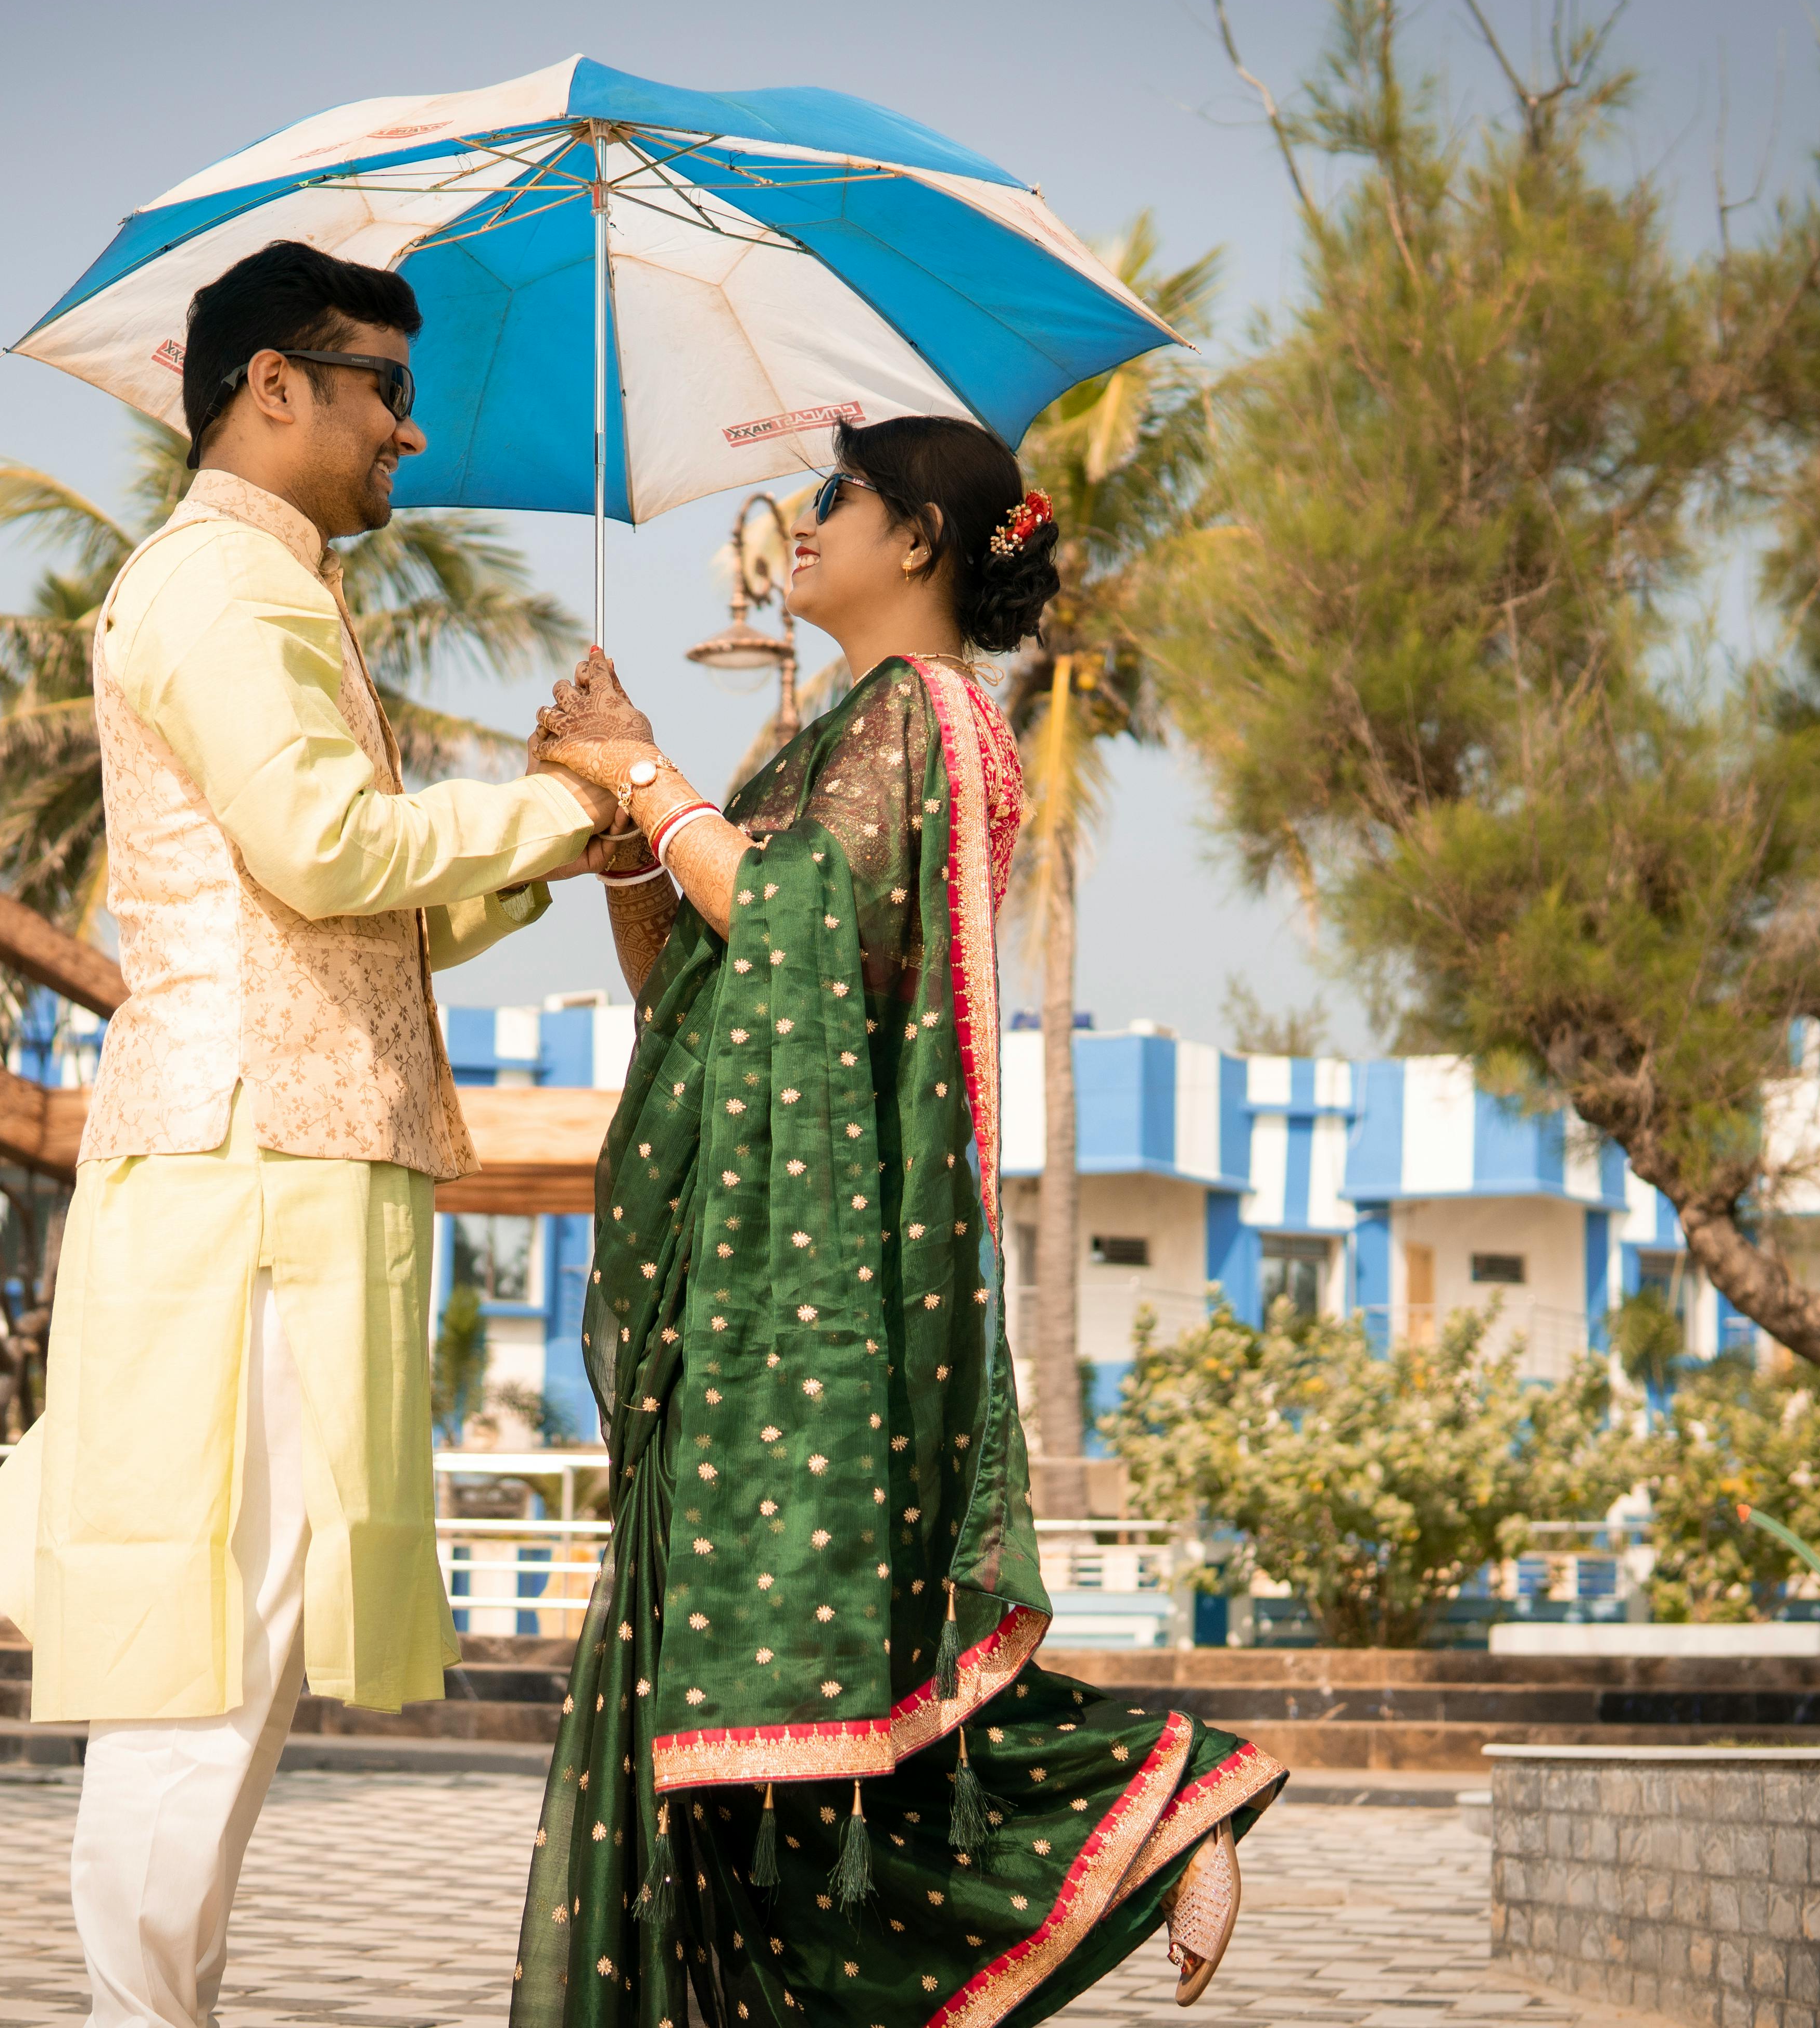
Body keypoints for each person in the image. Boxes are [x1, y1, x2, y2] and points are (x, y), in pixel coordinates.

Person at [510, 415, 1285, 2028]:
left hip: (831, 1296)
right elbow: (704, 990)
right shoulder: (832, 730)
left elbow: (794, 922)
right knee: (738, 1742)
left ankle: (1160, 1796)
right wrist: (617, 833)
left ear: (921, 540)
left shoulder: (927, 719)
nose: (801, 524)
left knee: (840, 1665)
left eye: (836, 499)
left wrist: (647, 774)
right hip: (737, 1292)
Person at [0, 240, 618, 2028]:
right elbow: (326, 850)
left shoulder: (279, 592)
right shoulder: (225, 593)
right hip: (248, 1164)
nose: (412, 430)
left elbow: (350, 908)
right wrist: (558, 800)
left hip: (287, 1161)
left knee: (237, 1649)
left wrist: (567, 839)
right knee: (198, 1652)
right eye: (387, 387)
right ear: (272, 384)